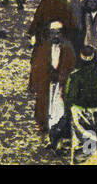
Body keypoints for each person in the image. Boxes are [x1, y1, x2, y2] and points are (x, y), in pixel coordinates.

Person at [30, 21, 76, 150]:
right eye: (53, 33)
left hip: (61, 87)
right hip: (47, 86)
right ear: (49, 34)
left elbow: (71, 67)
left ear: (62, 34)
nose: (55, 36)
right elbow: (37, 67)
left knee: (59, 111)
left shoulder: (67, 49)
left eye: (58, 33)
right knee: (46, 111)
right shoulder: (44, 48)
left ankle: (59, 139)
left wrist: (61, 76)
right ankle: (50, 137)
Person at [64, 44, 97, 164]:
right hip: (96, 111)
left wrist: (68, 111)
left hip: (79, 111)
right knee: (92, 140)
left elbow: (70, 97)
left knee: (79, 140)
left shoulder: (75, 75)